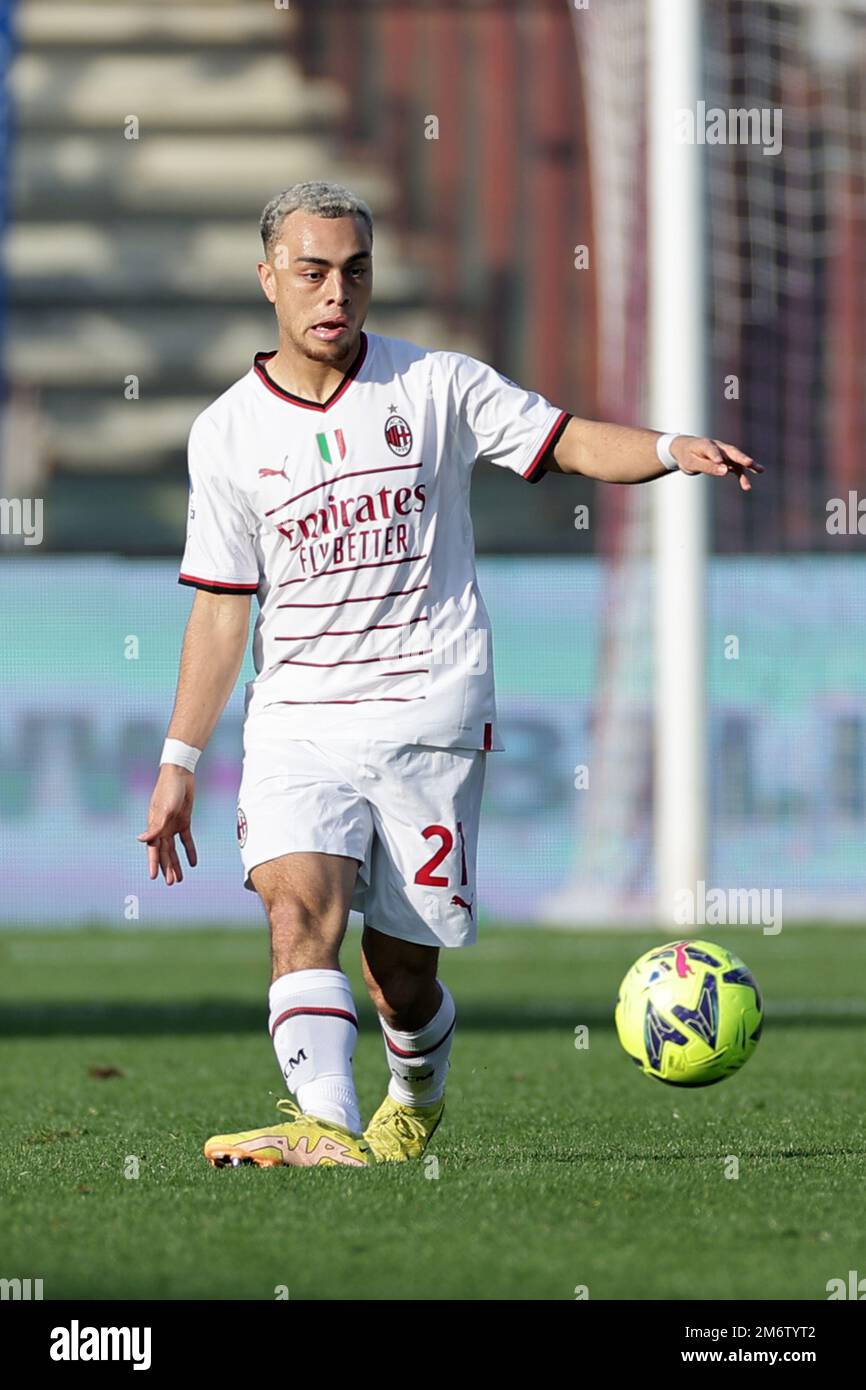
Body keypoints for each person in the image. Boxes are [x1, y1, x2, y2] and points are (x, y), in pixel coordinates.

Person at [138, 180, 761, 1169]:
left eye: (354, 271)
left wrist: (670, 448)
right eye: (311, 272)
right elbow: (222, 606)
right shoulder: (225, 432)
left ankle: (414, 1090)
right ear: (268, 281)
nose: (334, 292)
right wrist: (178, 759)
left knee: (399, 978)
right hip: (296, 716)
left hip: (428, 713)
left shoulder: (437, 386)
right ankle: (324, 1122)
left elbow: (560, 440)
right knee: (296, 911)